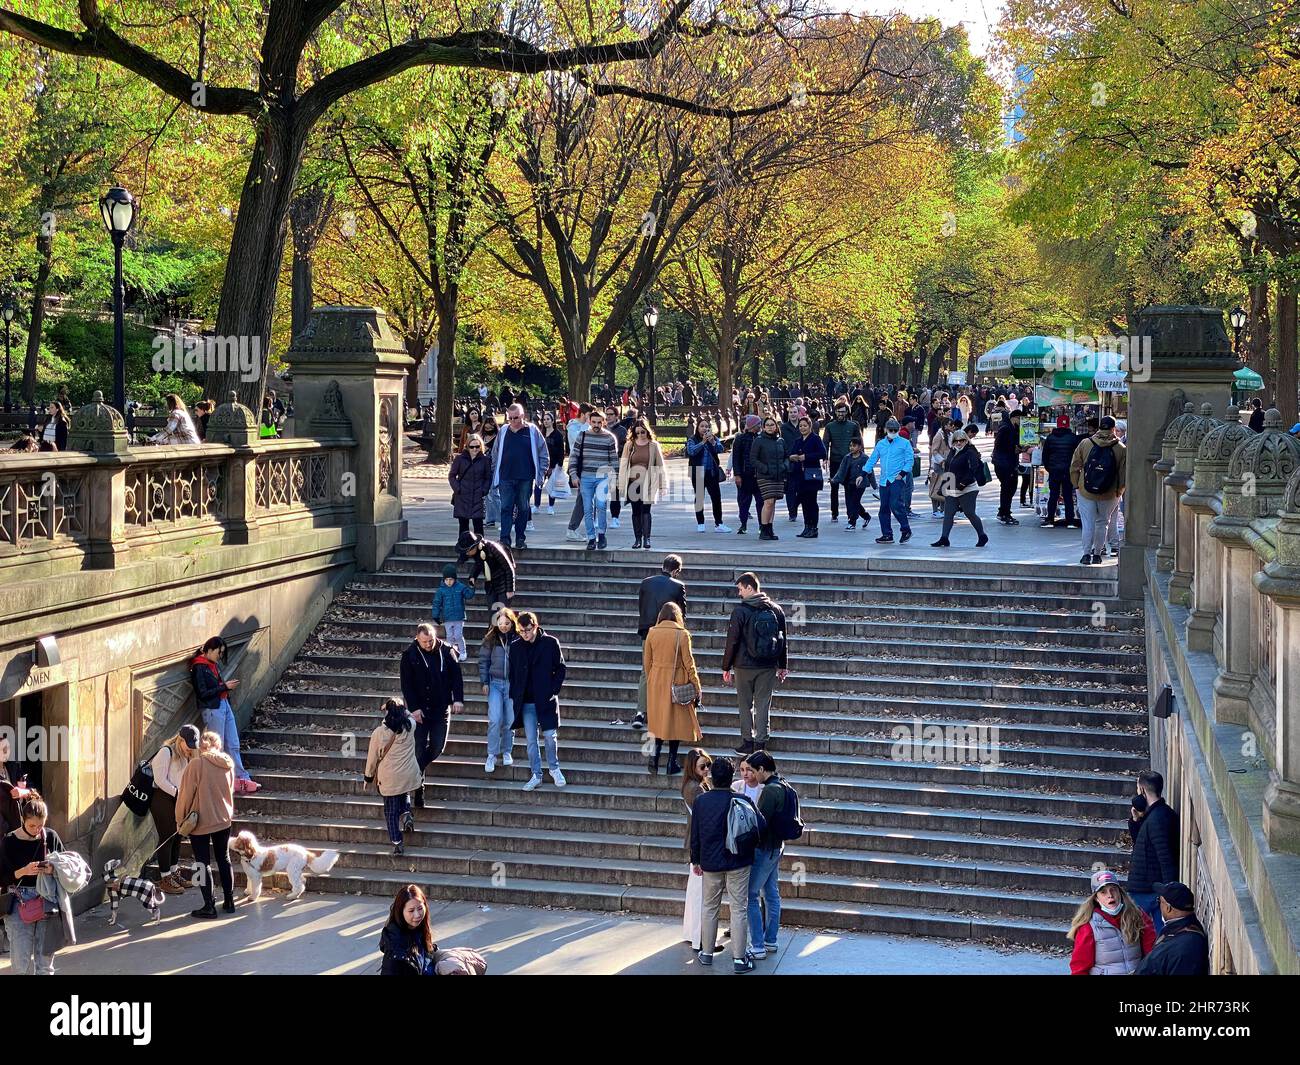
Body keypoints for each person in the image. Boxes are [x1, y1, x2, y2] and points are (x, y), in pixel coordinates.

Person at [690, 757, 761, 973]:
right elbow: (760, 827)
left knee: (709, 907)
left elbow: (696, 834)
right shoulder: (742, 800)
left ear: (712, 776)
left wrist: (696, 859)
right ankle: (739, 959)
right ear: (731, 777)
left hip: (710, 862)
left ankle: (707, 953)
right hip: (738, 862)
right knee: (738, 908)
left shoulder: (701, 801)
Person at [721, 572, 788, 755]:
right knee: (763, 704)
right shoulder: (776, 609)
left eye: (741, 589)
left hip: (743, 666)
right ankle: (760, 744)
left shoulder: (740, 611)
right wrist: (782, 665)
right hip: (767, 665)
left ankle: (747, 742)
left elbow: (732, 641)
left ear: (750, 587)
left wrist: (726, 666)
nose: (739, 593)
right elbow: (783, 639)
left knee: (745, 705)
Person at [398, 623, 464, 808]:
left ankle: (415, 774)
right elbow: (407, 685)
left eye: (431, 640)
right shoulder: (409, 655)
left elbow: (456, 677)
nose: (428, 644)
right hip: (420, 711)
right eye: (425, 641)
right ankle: (418, 788)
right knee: (419, 748)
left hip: (441, 709)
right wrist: (414, 708)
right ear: (418, 639)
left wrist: (457, 699)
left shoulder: (447, 651)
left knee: (437, 747)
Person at [0, 791, 65, 973]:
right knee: (20, 964)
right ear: (23, 820)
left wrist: (52, 869)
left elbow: (66, 865)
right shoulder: (10, 841)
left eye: (40, 825)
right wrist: (24, 871)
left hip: (47, 898)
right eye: (32, 825)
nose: (37, 830)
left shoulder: (50, 837)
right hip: (18, 901)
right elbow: (3, 876)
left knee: (45, 964)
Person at [175, 730, 236, 919]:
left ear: (201, 747)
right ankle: (229, 900)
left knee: (202, 863)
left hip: (201, 821)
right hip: (223, 818)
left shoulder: (196, 764)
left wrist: (180, 821)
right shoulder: (228, 763)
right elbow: (231, 789)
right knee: (224, 858)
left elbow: (185, 796)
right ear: (218, 745)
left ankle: (209, 905)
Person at [509, 611, 567, 791]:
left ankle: (554, 768)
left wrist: (553, 690)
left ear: (535, 626)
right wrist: (514, 693)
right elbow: (512, 672)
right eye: (521, 631)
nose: (524, 634)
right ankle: (536, 774)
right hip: (526, 701)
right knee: (531, 741)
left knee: (550, 736)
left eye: (527, 630)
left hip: (546, 698)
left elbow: (561, 668)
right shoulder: (516, 646)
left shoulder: (550, 643)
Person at [190, 637, 258, 793]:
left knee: (233, 743)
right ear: (210, 649)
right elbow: (202, 693)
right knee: (217, 747)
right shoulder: (199, 667)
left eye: (221, 653)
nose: (219, 656)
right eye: (218, 652)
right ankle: (221, 781)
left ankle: (241, 778)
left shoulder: (211, 665)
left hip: (223, 704)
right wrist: (224, 687)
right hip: (213, 708)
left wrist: (224, 689)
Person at [643, 603, 703, 775]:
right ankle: (671, 762)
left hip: (656, 681)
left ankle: (654, 759)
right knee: (675, 723)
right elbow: (689, 663)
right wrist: (697, 686)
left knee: (657, 721)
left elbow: (647, 663)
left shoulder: (652, 633)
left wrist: (653, 679)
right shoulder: (682, 635)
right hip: (676, 681)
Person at [743, 750, 790, 960]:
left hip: (765, 849)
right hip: (777, 846)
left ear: (762, 769)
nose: (752, 775)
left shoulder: (770, 791)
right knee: (771, 894)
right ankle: (770, 940)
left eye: (753, 771)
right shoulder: (784, 785)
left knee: (750, 895)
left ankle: (758, 945)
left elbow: (759, 823)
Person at [1067, 869, 1156, 975]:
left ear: (1120, 892)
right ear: (1096, 898)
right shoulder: (1088, 926)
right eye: (1103, 892)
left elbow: (1152, 951)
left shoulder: (1137, 915)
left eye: (1113, 889)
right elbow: (1079, 968)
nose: (1110, 895)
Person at [363, 699, 422, 855]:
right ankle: (407, 814)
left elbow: (372, 758)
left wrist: (368, 777)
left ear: (387, 713)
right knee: (404, 792)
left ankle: (397, 842)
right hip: (408, 774)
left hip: (389, 778)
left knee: (390, 812)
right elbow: (410, 716)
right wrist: (402, 708)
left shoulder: (379, 733)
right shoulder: (410, 726)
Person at [146, 724, 200, 894]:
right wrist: (178, 793)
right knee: (167, 837)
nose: (189, 749)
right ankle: (165, 877)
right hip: (162, 799)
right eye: (188, 745)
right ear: (180, 739)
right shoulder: (165, 752)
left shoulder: (185, 756)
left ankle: (174, 872)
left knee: (178, 836)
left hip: (178, 799)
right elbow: (160, 780)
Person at [1070, 415, 1127, 565]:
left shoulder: (1085, 443)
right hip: (1109, 493)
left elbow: (1075, 466)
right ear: (1114, 429)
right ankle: (1097, 554)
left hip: (1085, 490)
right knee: (1103, 523)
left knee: (1088, 523)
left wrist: (1076, 485)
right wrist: (1119, 491)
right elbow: (1123, 473)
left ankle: (1086, 554)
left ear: (1100, 427)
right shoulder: (1121, 448)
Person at [490, 403, 549, 550]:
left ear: (522, 416)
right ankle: (505, 539)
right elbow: (495, 453)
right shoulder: (503, 431)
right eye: (509, 418)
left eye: (515, 418)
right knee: (506, 507)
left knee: (523, 507)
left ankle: (520, 538)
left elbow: (543, 453)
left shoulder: (532, 431)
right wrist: (494, 472)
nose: (512, 421)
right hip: (506, 476)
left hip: (525, 476)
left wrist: (541, 474)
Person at [1126, 769, 1178, 933]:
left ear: (1142, 790)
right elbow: (1143, 845)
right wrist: (1136, 821)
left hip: (1149, 892)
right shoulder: (1154, 816)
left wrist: (1168, 893)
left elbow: (1165, 858)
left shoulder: (1158, 818)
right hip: (1147, 889)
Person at [568, 408, 619, 550]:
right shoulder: (582, 436)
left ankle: (601, 534)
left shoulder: (609, 438)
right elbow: (574, 456)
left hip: (602, 476)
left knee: (601, 505)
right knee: (587, 508)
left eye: (599, 422)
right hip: (586, 476)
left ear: (603, 422)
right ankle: (591, 537)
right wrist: (573, 475)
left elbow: (614, 460)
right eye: (594, 422)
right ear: (589, 421)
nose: (596, 425)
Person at [1133, 882, 1210, 975]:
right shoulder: (1182, 929)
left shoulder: (1186, 946)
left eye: (1159, 901)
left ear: (1168, 908)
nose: (1159, 905)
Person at [680, 749, 715, 950]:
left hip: (696, 844)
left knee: (696, 891)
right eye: (702, 766)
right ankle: (699, 937)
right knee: (700, 894)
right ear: (692, 767)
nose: (706, 770)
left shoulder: (695, 785)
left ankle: (694, 934)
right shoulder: (695, 789)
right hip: (699, 845)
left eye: (708, 765)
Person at [930, 426, 988, 548]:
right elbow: (948, 469)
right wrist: (944, 486)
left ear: (966, 440)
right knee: (948, 514)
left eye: (961, 440)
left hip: (968, 488)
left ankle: (982, 535)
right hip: (952, 487)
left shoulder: (970, 452)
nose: (959, 443)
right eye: (956, 440)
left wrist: (963, 484)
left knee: (969, 513)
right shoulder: (952, 451)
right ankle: (944, 538)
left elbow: (974, 469)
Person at [478, 608, 519, 773]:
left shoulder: (517, 637)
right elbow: (483, 660)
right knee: (495, 719)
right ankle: (492, 754)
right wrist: (484, 681)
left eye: (507, 623)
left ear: (512, 623)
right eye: (501, 623)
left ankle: (507, 751)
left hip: (512, 684)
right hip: (495, 682)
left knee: (510, 720)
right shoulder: (491, 639)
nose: (504, 626)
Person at [864, 417, 914, 544]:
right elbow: (872, 459)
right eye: (890, 430)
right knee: (884, 508)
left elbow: (910, 460)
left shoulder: (904, 443)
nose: (892, 432)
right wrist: (863, 473)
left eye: (895, 430)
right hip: (884, 480)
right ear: (886, 430)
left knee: (895, 504)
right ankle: (887, 534)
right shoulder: (881, 444)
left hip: (897, 478)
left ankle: (905, 529)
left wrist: (902, 473)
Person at [618, 419, 666, 549]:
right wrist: (620, 485)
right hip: (633, 483)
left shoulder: (653, 445)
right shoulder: (630, 445)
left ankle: (647, 538)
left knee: (646, 510)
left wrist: (663, 486)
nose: (640, 435)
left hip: (649, 483)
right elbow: (623, 465)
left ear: (647, 431)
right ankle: (637, 538)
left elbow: (660, 466)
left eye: (642, 432)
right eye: (637, 432)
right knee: (635, 511)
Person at [379, 884, 439, 975]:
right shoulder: (395, 945)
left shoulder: (419, 929)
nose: (417, 915)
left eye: (420, 908)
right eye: (411, 911)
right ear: (400, 911)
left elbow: (426, 956)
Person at [686, 423, 731, 533]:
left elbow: (720, 449)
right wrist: (703, 442)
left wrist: (713, 442)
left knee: (716, 498)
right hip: (698, 472)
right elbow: (691, 451)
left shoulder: (713, 438)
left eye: (707, 427)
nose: (705, 429)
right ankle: (700, 523)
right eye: (702, 426)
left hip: (711, 472)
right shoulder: (693, 439)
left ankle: (719, 523)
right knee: (699, 497)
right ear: (698, 428)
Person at [751, 415, 788, 541]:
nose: (770, 427)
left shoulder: (781, 440)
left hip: (778, 475)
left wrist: (784, 466)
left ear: (776, 426)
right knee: (768, 502)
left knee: (773, 503)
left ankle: (770, 529)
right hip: (765, 476)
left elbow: (787, 457)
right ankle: (764, 529)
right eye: (767, 425)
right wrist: (765, 469)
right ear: (763, 427)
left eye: (772, 425)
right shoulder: (759, 440)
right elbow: (753, 459)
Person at [789, 415, 827, 538]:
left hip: (812, 474)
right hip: (800, 475)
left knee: (811, 501)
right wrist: (792, 457)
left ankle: (813, 527)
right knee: (804, 501)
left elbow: (822, 453)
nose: (802, 428)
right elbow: (791, 453)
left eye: (805, 425)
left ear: (810, 426)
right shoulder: (798, 440)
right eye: (800, 426)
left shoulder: (815, 439)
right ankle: (806, 526)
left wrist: (807, 456)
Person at [448, 434, 491, 539]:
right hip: (462, 496)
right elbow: (452, 475)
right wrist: (458, 489)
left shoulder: (485, 460)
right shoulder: (460, 459)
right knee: (463, 528)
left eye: (477, 446)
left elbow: (488, 477)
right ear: (467, 447)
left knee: (478, 527)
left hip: (477, 496)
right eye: (472, 447)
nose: (475, 449)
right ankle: (464, 552)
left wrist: (484, 490)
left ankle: (480, 552)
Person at [1041, 414, 1080, 528]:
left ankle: (1050, 519)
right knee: (1068, 496)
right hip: (1068, 471)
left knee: (1053, 495)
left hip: (1054, 471)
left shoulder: (1050, 438)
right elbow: (1077, 456)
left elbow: (1045, 456)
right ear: (1068, 424)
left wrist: (1050, 468)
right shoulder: (1073, 438)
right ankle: (1070, 521)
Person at [431, 563, 475, 659]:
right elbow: (437, 603)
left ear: (455, 579)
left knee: (458, 635)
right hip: (447, 617)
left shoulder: (460, 587)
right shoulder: (441, 590)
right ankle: (451, 653)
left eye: (451, 579)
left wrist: (471, 587)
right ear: (444, 579)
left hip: (459, 617)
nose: (449, 582)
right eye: (446, 579)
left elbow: (469, 595)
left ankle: (463, 652)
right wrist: (435, 615)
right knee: (450, 637)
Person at [831, 436, 873, 531]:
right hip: (849, 483)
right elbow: (841, 470)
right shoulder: (847, 458)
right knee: (850, 502)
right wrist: (835, 479)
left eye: (854, 446)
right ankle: (866, 516)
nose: (851, 448)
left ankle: (852, 522)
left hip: (860, 485)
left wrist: (874, 484)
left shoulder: (864, 458)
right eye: (850, 446)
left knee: (854, 502)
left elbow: (870, 471)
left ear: (860, 447)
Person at [460, 534, 515, 605]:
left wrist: (510, 589)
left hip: (503, 582)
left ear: (474, 547)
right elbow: (478, 564)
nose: (467, 553)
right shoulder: (476, 553)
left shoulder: (493, 548)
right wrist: (473, 576)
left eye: (468, 550)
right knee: (492, 612)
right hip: (491, 585)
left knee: (502, 612)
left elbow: (508, 568)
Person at [728, 414, 761, 533]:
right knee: (744, 502)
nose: (760, 427)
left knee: (760, 502)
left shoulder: (760, 438)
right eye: (758, 424)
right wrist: (737, 474)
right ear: (753, 426)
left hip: (758, 475)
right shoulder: (740, 439)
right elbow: (736, 458)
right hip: (744, 474)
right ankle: (743, 523)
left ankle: (762, 525)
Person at [992, 407, 1022, 525]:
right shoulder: (1005, 428)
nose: (1021, 422)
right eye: (1020, 419)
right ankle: (1004, 513)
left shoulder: (1013, 428)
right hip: (1003, 463)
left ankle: (1004, 511)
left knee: (1011, 487)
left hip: (1009, 462)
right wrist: (1014, 449)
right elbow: (1000, 445)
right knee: (1007, 487)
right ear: (1014, 418)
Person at [542, 411, 567, 512]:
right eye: (544, 419)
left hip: (553, 464)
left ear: (552, 421)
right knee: (538, 485)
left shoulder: (558, 435)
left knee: (551, 486)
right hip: (542, 464)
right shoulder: (541, 434)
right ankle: (536, 505)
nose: (546, 421)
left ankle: (550, 506)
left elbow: (561, 450)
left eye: (548, 419)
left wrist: (559, 464)